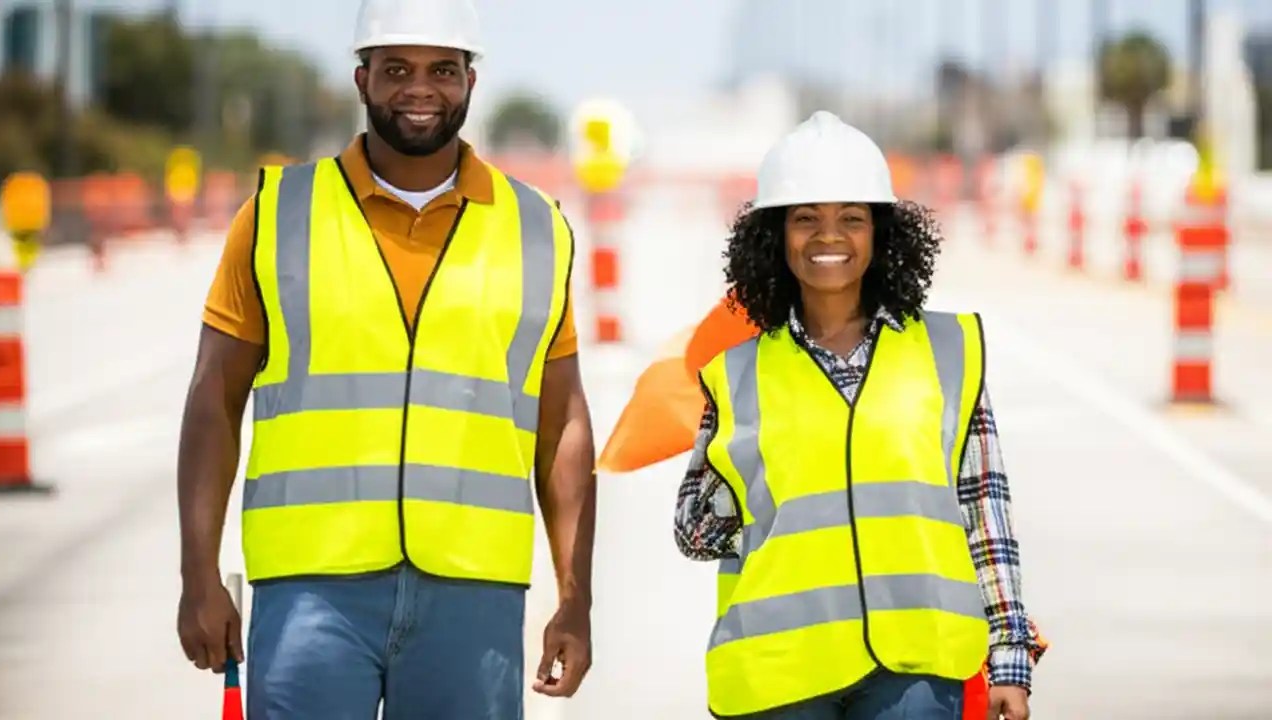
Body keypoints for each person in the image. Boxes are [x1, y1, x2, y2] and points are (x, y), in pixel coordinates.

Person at [174, 0, 597, 717]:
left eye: (442, 69)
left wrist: (575, 598)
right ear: (363, 78)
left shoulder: (538, 229)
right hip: (311, 588)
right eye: (397, 68)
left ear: (471, 81)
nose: (419, 88)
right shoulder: (277, 214)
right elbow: (215, 398)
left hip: (475, 590)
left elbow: (563, 428)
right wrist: (197, 573)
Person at [673, 111, 1045, 720]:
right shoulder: (735, 372)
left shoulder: (948, 353)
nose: (829, 237)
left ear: (881, 235)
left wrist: (1009, 656)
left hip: (914, 670)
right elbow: (693, 532)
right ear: (775, 236)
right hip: (780, 671)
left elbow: (984, 512)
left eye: (852, 218)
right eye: (805, 219)